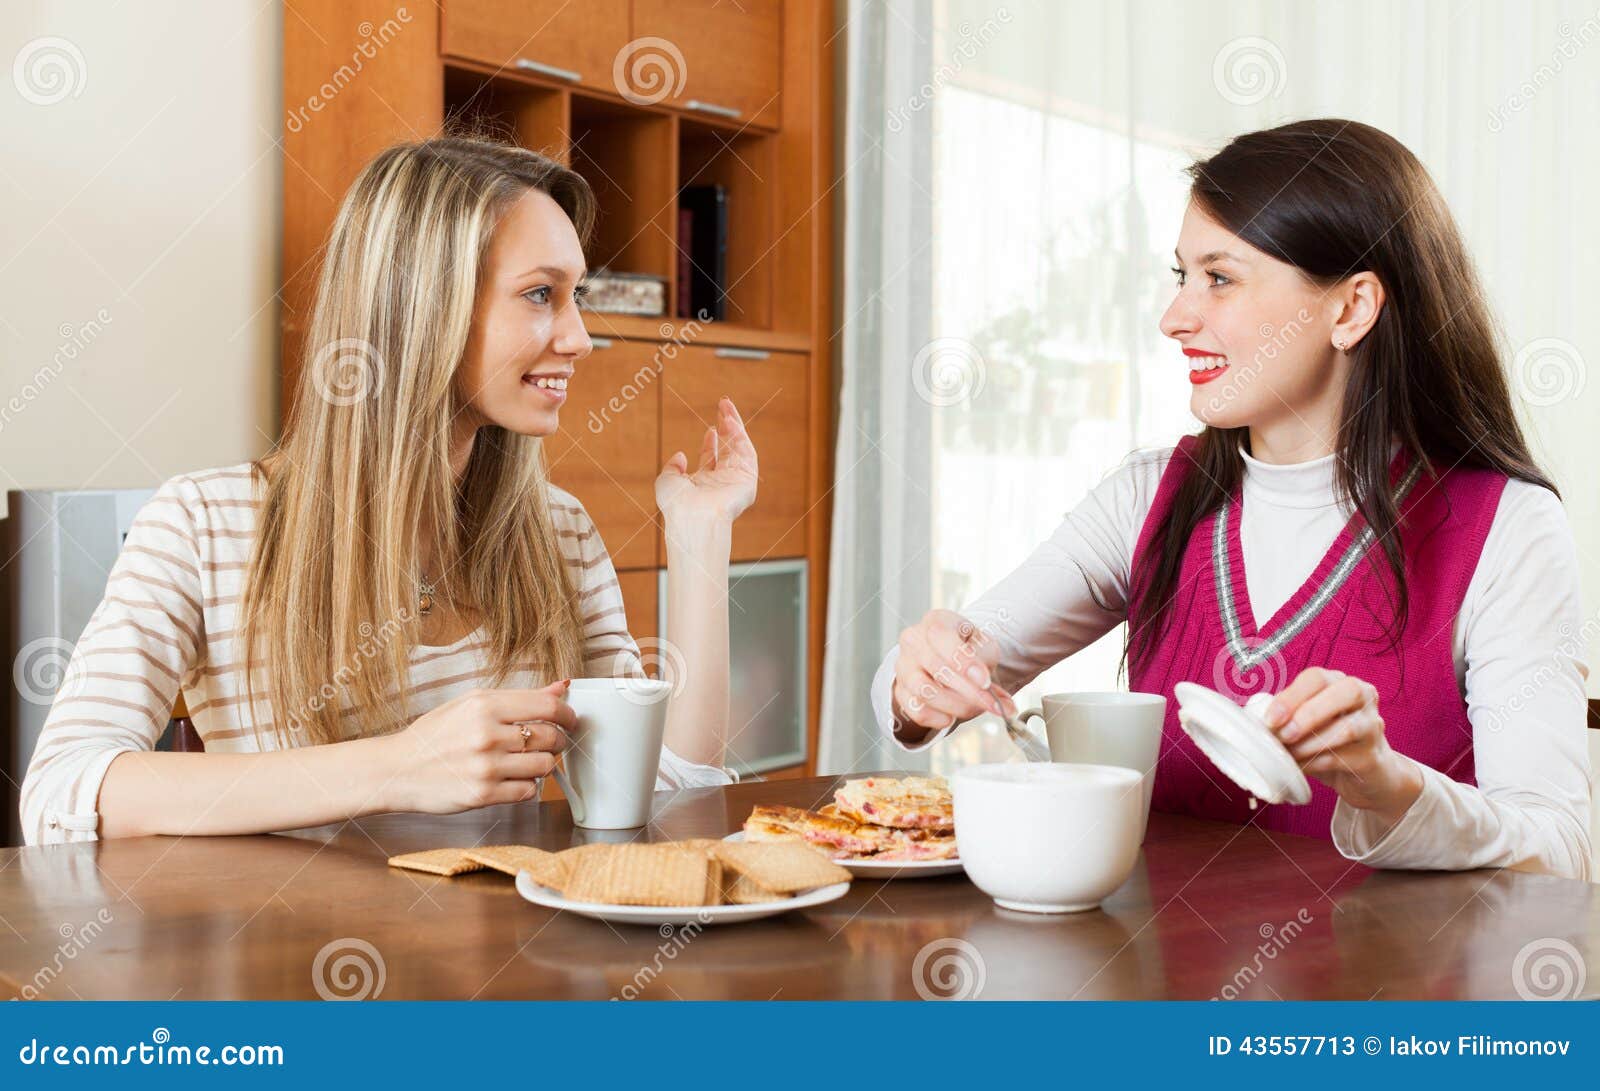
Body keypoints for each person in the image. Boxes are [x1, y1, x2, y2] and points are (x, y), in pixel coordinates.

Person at [876, 119, 1592, 880]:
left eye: (1219, 278)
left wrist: (1388, 787)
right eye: (1180, 276)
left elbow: (1563, 848)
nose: (1175, 317)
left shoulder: (1505, 526)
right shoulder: (1149, 494)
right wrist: (920, 678)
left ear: (1351, 310)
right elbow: (945, 660)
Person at [21, 136, 758, 844]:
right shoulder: (204, 526)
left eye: (576, 296)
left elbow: (676, 791)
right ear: (421, 307)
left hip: (501, 969)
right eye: (541, 295)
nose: (579, 337)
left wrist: (700, 535)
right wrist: (399, 766)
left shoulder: (556, 533)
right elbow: (60, 793)